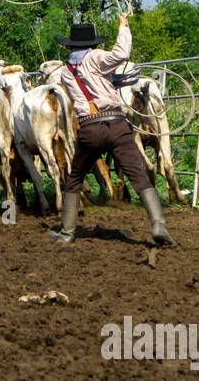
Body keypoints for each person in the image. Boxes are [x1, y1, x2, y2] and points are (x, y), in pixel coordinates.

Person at [50, 15, 176, 247]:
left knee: (75, 177)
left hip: (89, 128)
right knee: (138, 175)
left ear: (71, 46)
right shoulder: (97, 57)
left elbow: (87, 85)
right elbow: (121, 54)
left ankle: (67, 233)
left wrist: (109, 82)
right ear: (93, 44)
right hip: (117, 126)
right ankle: (158, 224)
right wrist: (123, 27)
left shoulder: (66, 72)